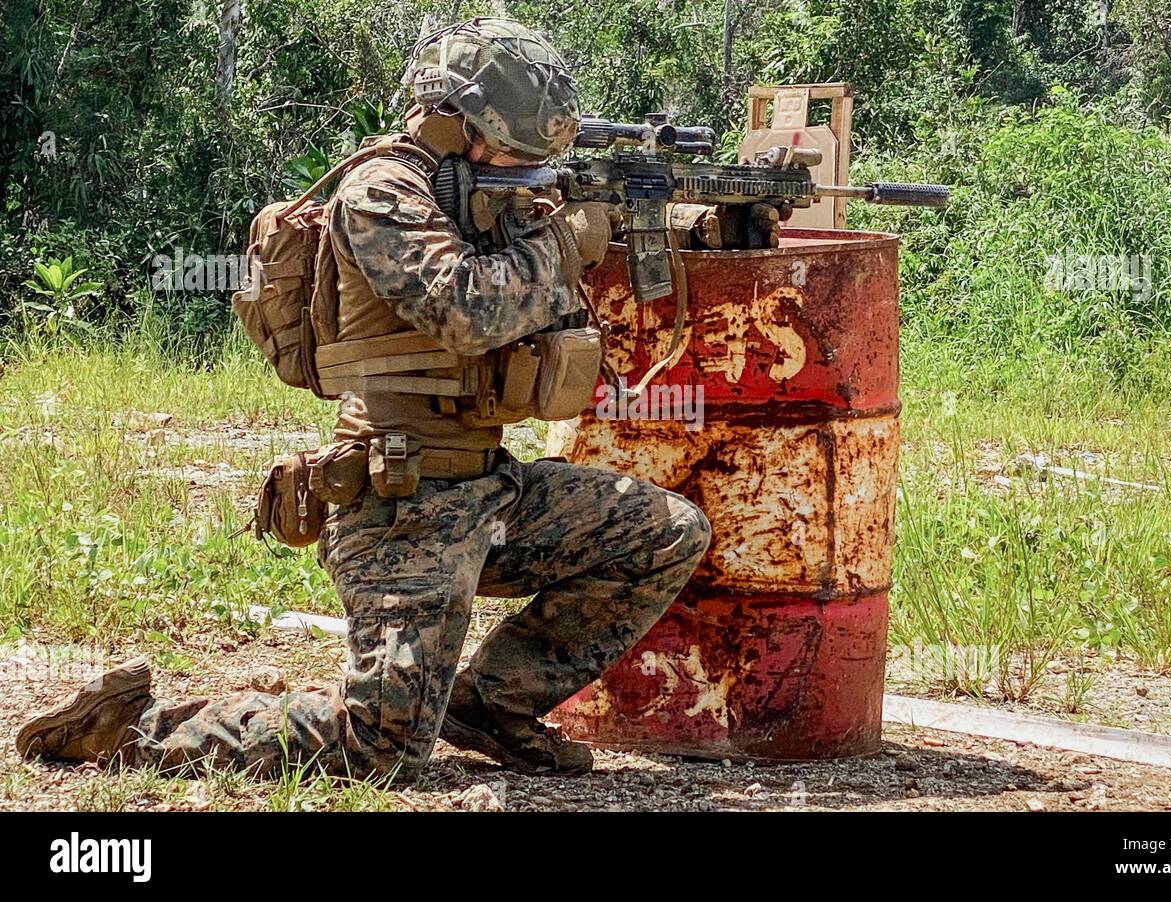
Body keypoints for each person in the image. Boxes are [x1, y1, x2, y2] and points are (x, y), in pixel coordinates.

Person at [16, 17, 710, 780]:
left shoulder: (490, 197)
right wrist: (564, 243)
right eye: (514, 150)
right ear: (457, 127)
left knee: (665, 533)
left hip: (488, 490)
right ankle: (132, 732)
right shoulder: (383, 193)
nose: (526, 169)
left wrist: (689, 216)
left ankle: (492, 704)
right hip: (396, 503)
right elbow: (466, 308)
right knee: (382, 751)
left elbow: (567, 232)